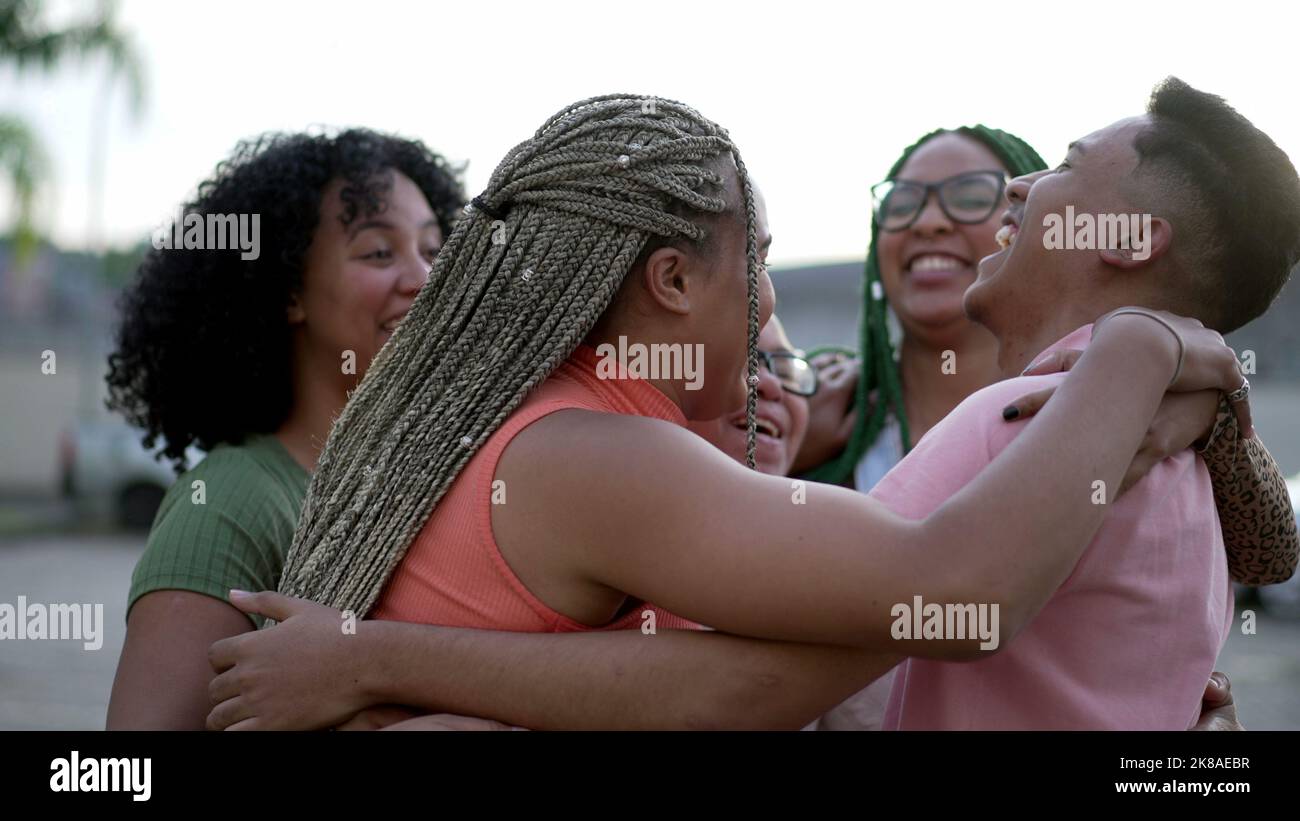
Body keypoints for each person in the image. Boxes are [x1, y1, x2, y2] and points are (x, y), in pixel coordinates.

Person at [204, 94, 1250, 731]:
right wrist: (1138, 350)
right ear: (668, 281)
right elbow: (933, 606)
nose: (770, 303)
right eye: (754, 260)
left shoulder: (520, 427)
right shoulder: (594, 456)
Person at [874, 77, 1300, 728]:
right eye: (903, 199)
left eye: (1063, 166)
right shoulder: (1180, 456)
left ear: (1129, 238)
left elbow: (788, 607)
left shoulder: (1021, 417)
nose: (1014, 192)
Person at [104, 129, 465, 729]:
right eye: (379, 253)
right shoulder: (229, 503)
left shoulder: (427, 487)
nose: (423, 279)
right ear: (290, 291)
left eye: (434, 250)